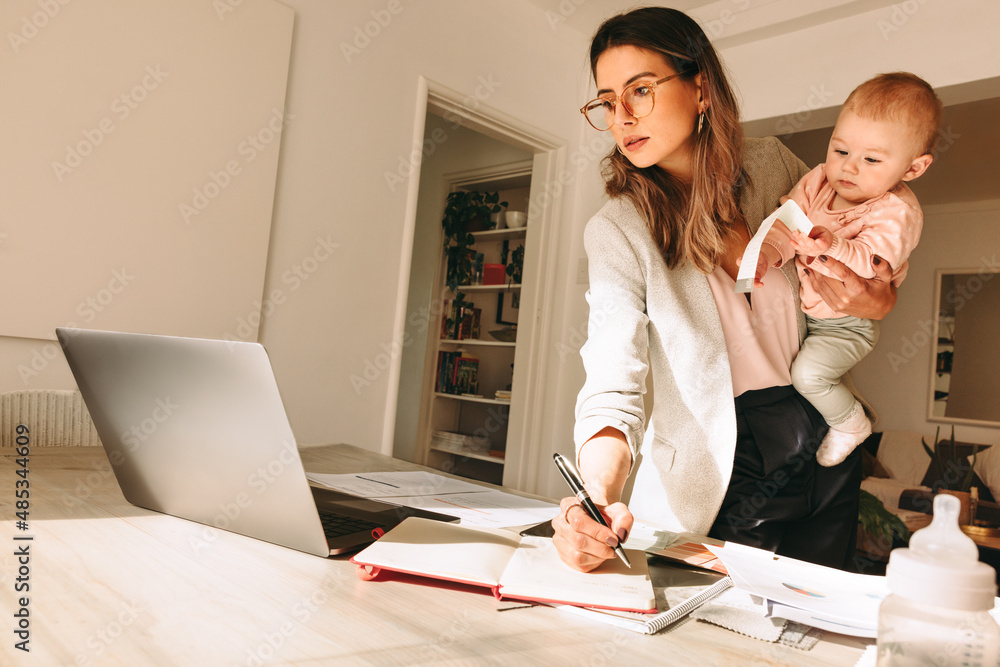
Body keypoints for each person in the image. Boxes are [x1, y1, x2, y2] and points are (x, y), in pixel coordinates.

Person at [552, 6, 896, 573]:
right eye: (608, 102)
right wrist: (597, 492)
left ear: (701, 87)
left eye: (640, 90)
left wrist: (879, 299)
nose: (622, 118)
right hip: (725, 459)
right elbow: (615, 381)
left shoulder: (773, 165)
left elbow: (857, 271)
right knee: (723, 636)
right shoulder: (618, 230)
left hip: (822, 426)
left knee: (814, 619)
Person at [752, 73, 940, 467]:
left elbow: (873, 263)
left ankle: (851, 423)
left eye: (871, 159)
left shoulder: (897, 212)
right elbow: (788, 221)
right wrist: (768, 251)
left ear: (913, 168)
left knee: (808, 376)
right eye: (840, 150)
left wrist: (833, 245)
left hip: (847, 324)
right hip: (809, 313)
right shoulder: (819, 180)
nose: (848, 168)